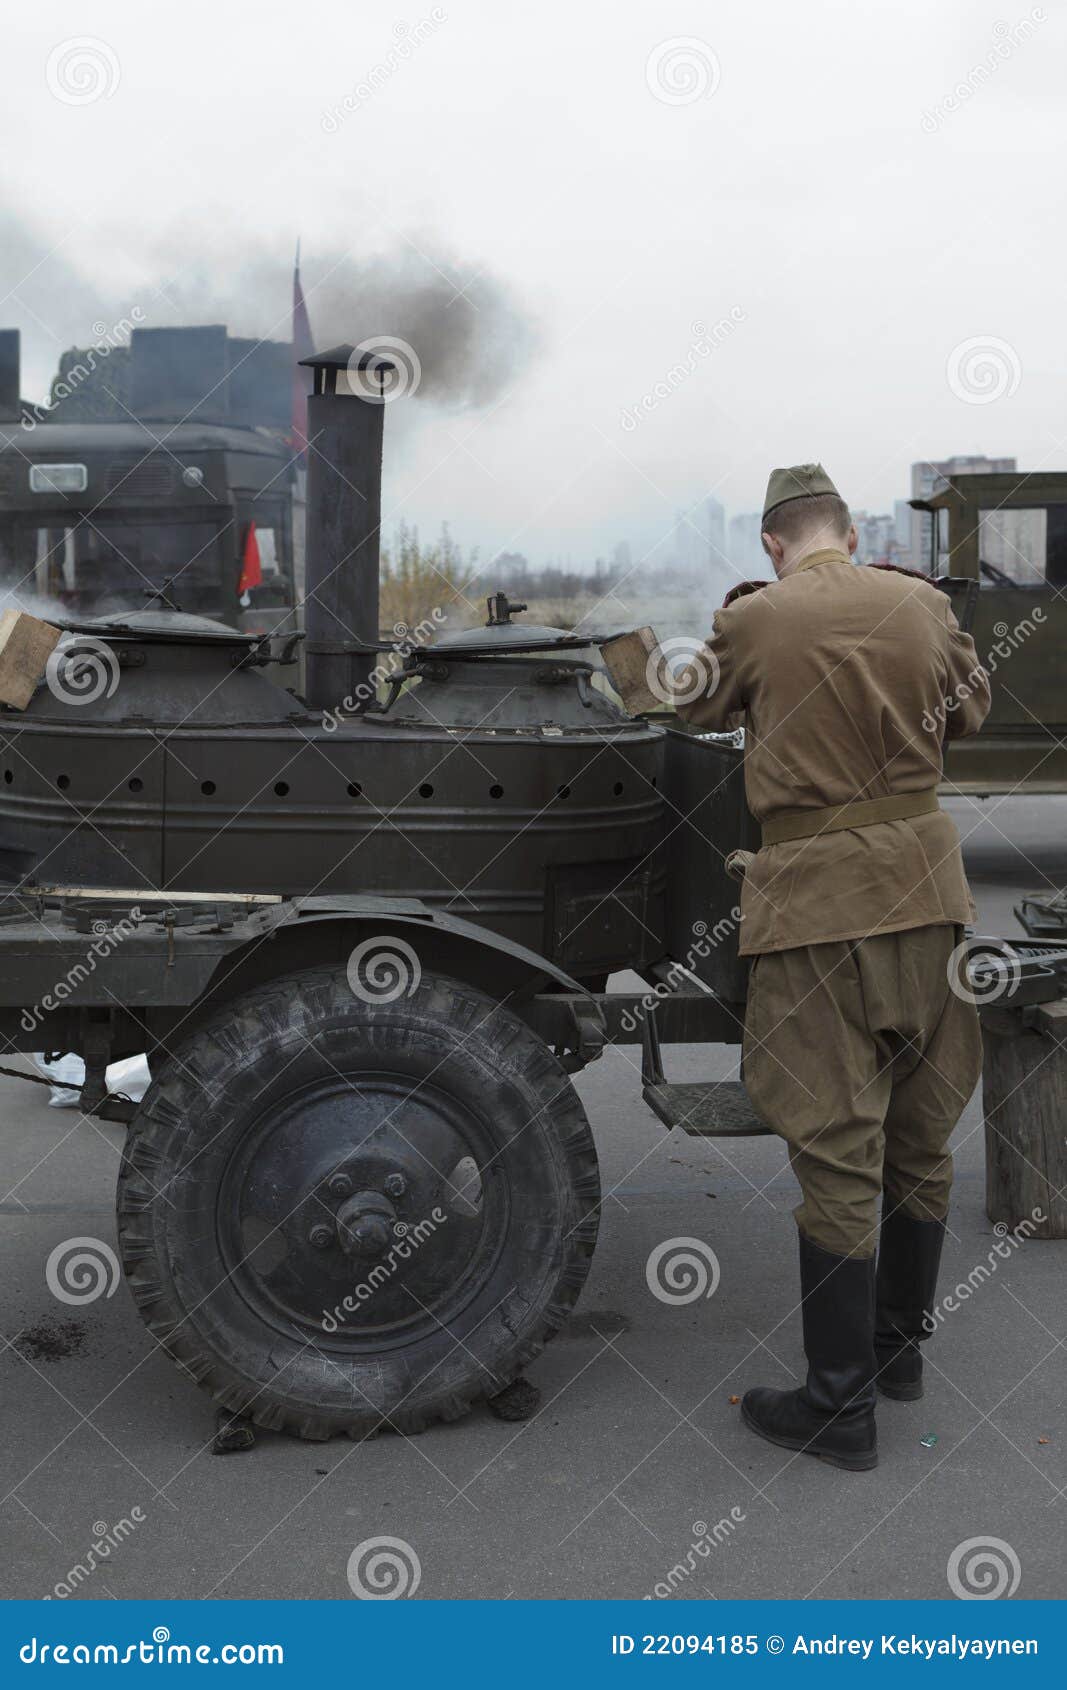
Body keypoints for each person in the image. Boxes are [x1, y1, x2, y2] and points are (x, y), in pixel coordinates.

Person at [674, 463, 990, 1472]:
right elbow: (970, 712)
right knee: (920, 1130)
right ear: (847, 532)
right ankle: (896, 1356)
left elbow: (684, 707)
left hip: (817, 909)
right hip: (928, 894)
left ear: (772, 542)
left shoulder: (759, 619)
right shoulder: (920, 602)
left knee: (835, 1144)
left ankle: (836, 1405)